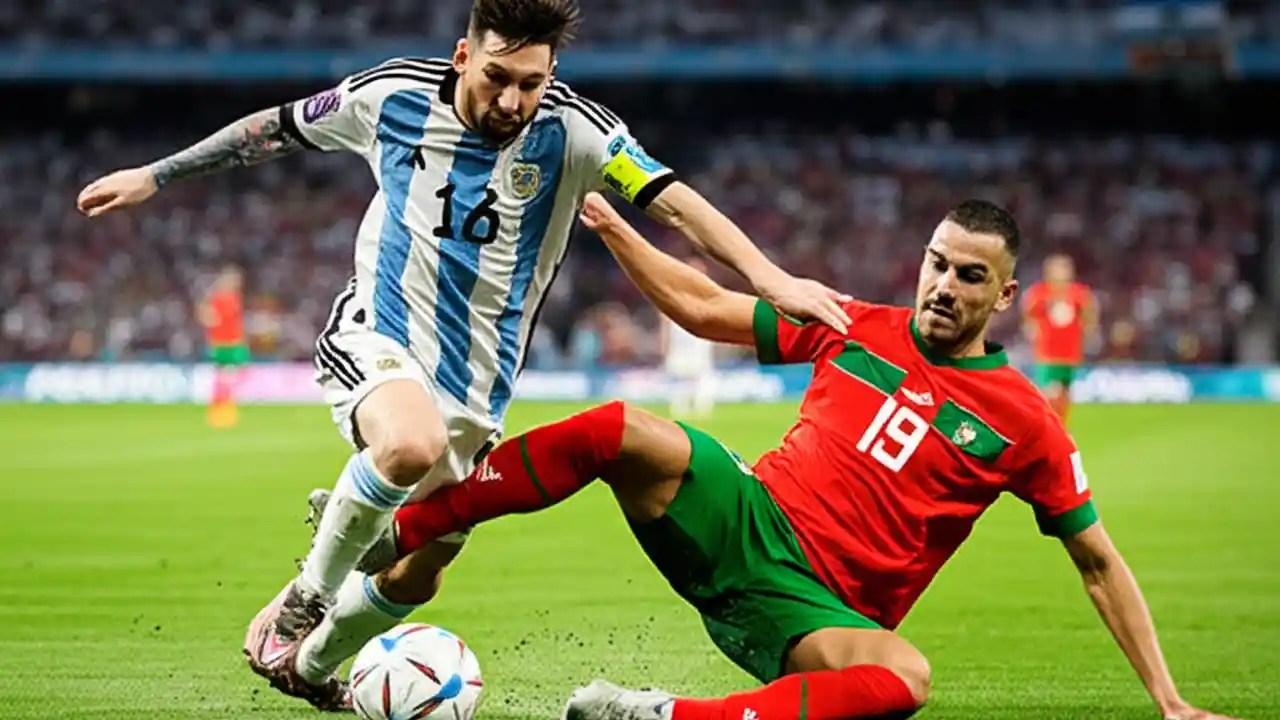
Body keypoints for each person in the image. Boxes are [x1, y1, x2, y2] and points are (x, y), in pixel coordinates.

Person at [74, 0, 849, 709]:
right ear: (461, 55)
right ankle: (306, 596)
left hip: (477, 388)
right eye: (497, 78)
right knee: (406, 445)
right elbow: (275, 128)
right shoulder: (391, 97)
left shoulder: (578, 133)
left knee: (423, 566)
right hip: (377, 335)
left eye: (532, 83)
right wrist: (154, 174)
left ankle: (308, 672)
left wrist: (771, 280)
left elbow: (674, 200)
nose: (513, 101)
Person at [324, 193, 1235, 720]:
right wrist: (615, 228)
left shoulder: (1026, 422)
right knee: (620, 427)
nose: (942, 284)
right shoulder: (856, 324)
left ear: (1005, 295)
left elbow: (1097, 560)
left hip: (816, 610)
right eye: (936, 261)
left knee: (905, 679)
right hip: (745, 517)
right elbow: (702, 305)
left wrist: (1168, 701)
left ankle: (655, 716)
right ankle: (398, 527)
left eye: (968, 275)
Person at [1022, 253, 1097, 422]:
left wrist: (1087, 330)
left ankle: (1060, 427)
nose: (1062, 273)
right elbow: (1028, 314)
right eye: (1058, 269)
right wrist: (1032, 329)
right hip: (1047, 355)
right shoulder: (1039, 293)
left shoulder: (1079, 293)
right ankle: (1050, 429)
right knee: (1049, 394)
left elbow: (1089, 313)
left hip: (1070, 355)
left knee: (1065, 393)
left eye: (1065, 269)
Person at [660, 256, 717, 419]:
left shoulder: (708, 289)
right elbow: (665, 317)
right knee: (679, 376)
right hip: (681, 336)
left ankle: (703, 410)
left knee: (702, 376)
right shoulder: (677, 291)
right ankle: (680, 410)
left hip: (700, 336)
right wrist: (664, 343)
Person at [198, 265, 249, 428]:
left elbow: (235, 322)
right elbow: (208, 317)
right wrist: (212, 325)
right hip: (224, 344)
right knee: (225, 377)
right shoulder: (218, 299)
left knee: (230, 377)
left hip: (234, 342)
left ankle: (224, 410)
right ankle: (220, 412)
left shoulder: (234, 297)